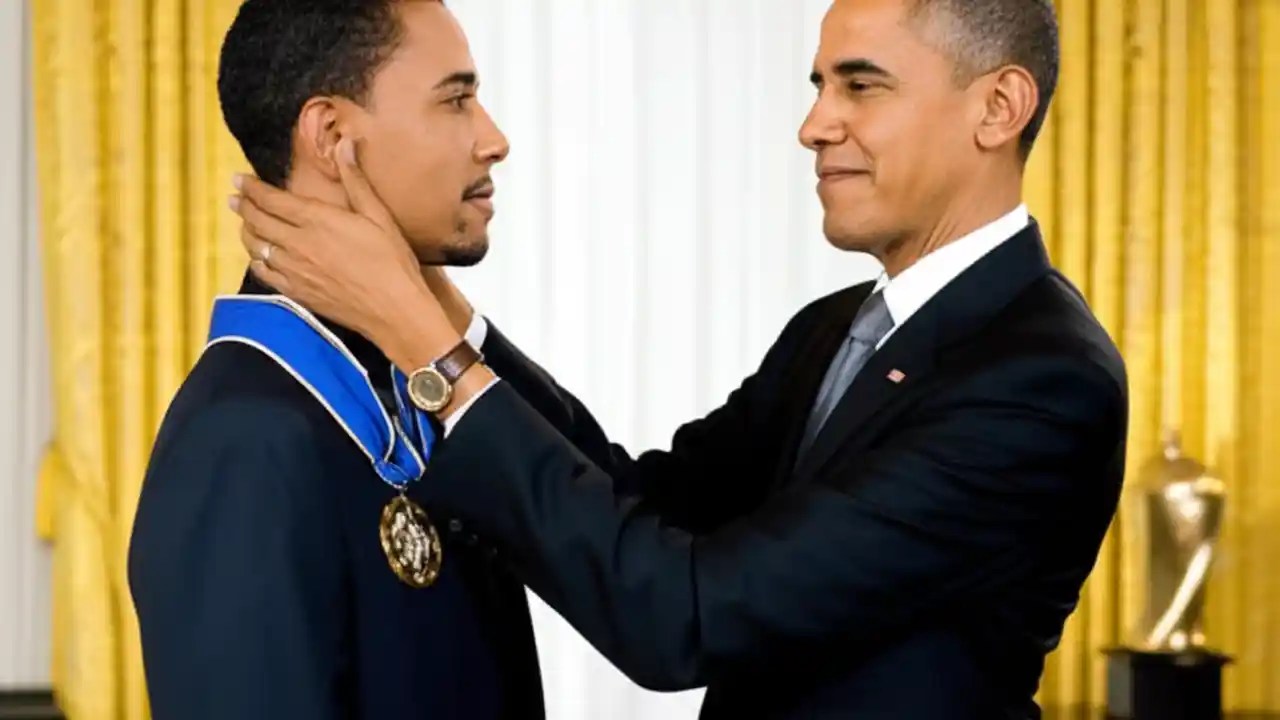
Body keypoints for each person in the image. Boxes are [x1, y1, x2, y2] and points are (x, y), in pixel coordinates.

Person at [233, 0, 1129, 716]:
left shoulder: (1040, 379)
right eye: (819, 84)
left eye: (862, 86)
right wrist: (447, 318)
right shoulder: (836, 327)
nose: (814, 124)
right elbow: (640, 502)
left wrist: (421, 345)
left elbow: (681, 614)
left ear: (998, 107)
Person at [127, 1, 545, 718]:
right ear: (331, 137)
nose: (494, 139)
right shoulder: (244, 440)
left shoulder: (406, 384)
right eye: (456, 100)